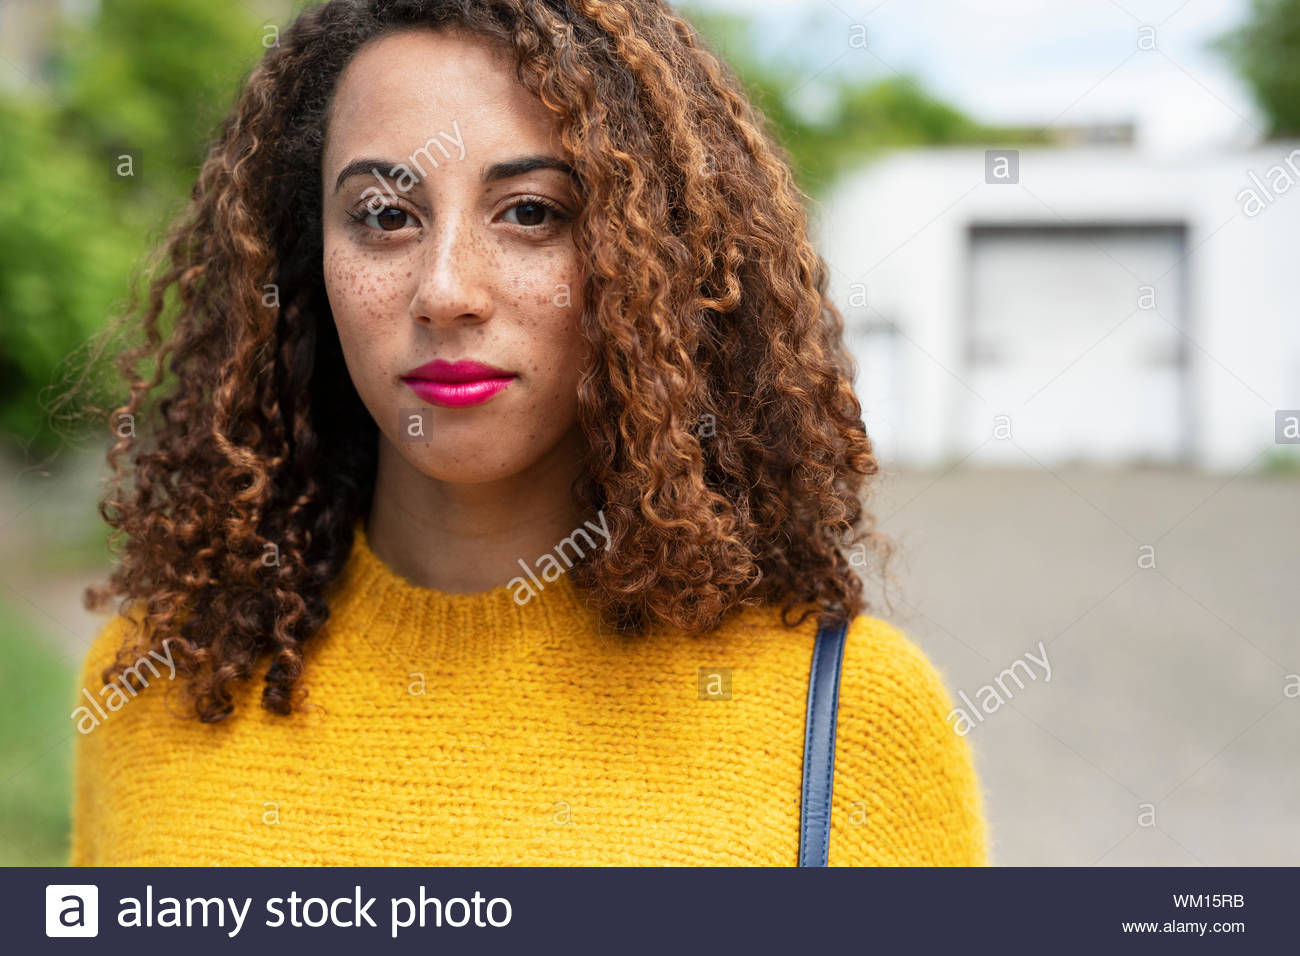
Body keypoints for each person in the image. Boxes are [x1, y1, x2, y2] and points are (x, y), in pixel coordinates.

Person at [68, 0, 989, 866]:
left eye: (532, 213)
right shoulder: (150, 683)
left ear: (651, 258)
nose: (447, 291)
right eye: (386, 216)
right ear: (309, 262)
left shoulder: (854, 722)